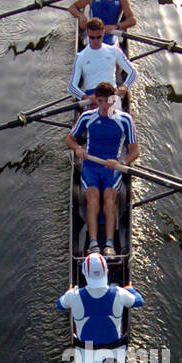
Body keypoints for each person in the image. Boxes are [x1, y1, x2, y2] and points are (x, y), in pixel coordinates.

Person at [65, 81, 140, 257]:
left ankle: (109, 244)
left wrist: (122, 161)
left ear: (114, 100)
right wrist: (78, 149)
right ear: (96, 101)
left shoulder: (125, 120)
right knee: (92, 200)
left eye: (108, 101)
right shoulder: (87, 117)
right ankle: (92, 244)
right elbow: (69, 140)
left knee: (109, 200)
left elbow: (135, 152)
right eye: (100, 101)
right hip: (91, 166)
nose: (104, 106)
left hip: (112, 168)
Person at [57, 250, 144, 343]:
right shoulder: (120, 293)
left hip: (86, 346)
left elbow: (59, 305)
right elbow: (139, 301)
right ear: (107, 272)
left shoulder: (73, 295)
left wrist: (69, 292)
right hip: (114, 344)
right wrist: (130, 289)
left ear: (84, 273)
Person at [68, 19, 136, 103]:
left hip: (111, 95)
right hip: (92, 96)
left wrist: (125, 87)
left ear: (103, 33)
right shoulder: (80, 56)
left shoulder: (114, 50)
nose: (95, 41)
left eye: (98, 37)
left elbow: (133, 72)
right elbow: (71, 86)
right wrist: (85, 97)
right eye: (92, 37)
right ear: (87, 34)